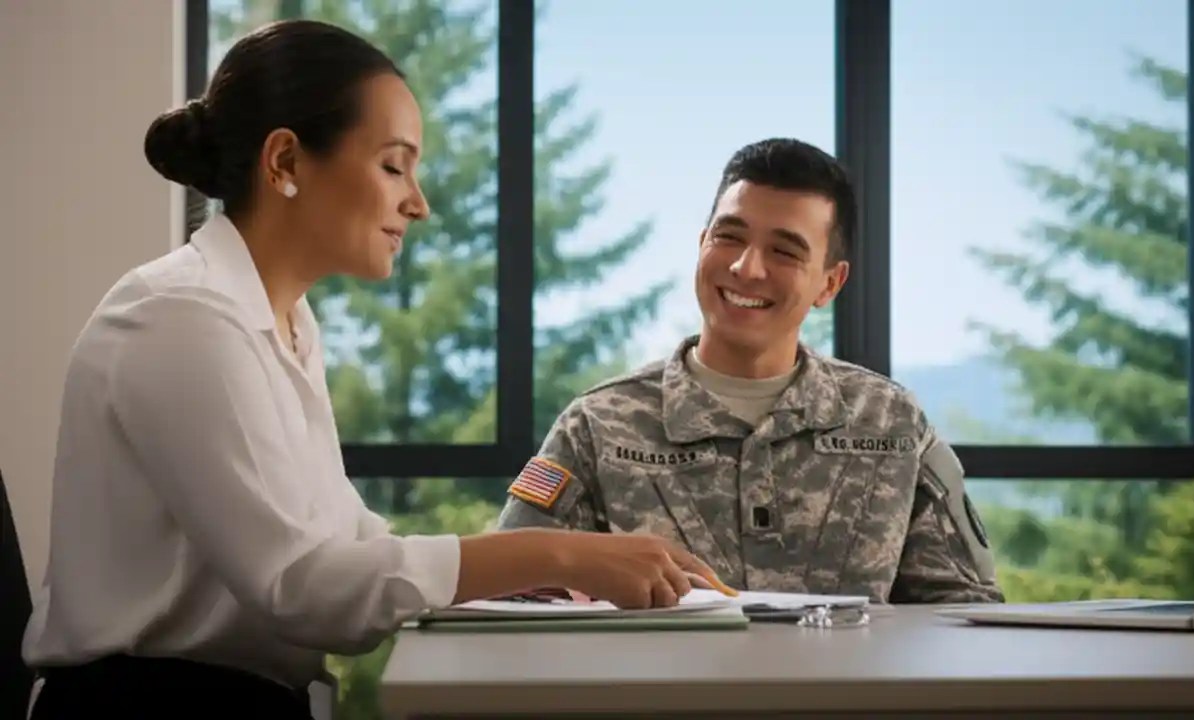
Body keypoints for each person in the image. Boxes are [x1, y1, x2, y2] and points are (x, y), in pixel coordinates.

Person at [21, 19, 725, 719]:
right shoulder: (183, 318)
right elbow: (301, 586)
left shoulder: (284, 322)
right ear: (287, 163)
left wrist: (546, 573)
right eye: (393, 165)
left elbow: (349, 542)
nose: (417, 203)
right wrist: (559, 555)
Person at [496, 138, 1004, 605]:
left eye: (784, 251)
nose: (746, 268)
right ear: (701, 244)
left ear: (830, 283)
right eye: (729, 237)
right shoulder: (599, 425)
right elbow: (508, 598)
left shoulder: (890, 422)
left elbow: (963, 611)